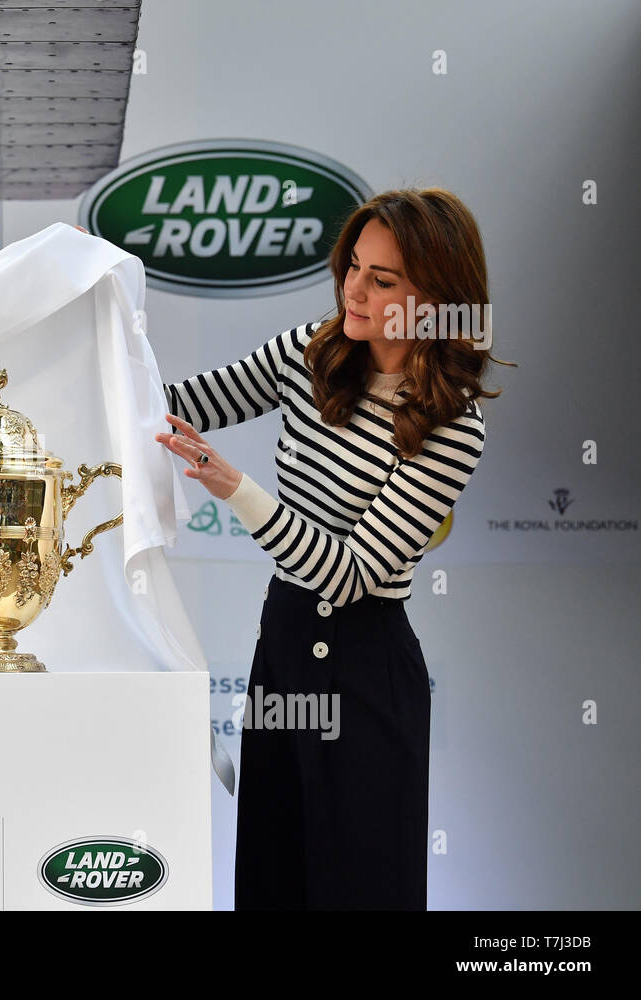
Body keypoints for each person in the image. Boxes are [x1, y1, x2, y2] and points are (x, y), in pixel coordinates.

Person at [156, 188, 511, 909]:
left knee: (361, 888)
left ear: (434, 296)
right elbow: (178, 404)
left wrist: (238, 490)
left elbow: (350, 576)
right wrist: (95, 299)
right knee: (271, 878)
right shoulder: (309, 351)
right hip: (283, 648)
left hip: (365, 670)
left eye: (383, 280)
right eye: (354, 265)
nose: (354, 288)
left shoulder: (453, 425)